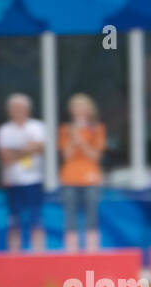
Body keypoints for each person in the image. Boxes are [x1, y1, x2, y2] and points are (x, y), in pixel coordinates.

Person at [0, 92, 46, 251]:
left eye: (20, 108)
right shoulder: (4, 130)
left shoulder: (37, 126)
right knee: (14, 219)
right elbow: (5, 157)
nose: (17, 111)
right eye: (14, 108)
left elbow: (39, 148)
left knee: (36, 218)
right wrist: (27, 149)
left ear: (27, 109)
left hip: (33, 180)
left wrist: (15, 151)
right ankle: (14, 254)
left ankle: (39, 254)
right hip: (13, 181)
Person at [58, 93, 105, 251]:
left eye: (82, 107)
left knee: (92, 213)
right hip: (70, 177)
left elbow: (96, 156)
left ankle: (92, 248)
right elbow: (66, 155)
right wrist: (73, 137)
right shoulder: (65, 129)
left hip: (90, 177)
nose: (79, 110)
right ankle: (72, 249)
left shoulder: (97, 128)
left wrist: (81, 141)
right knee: (70, 214)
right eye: (76, 107)